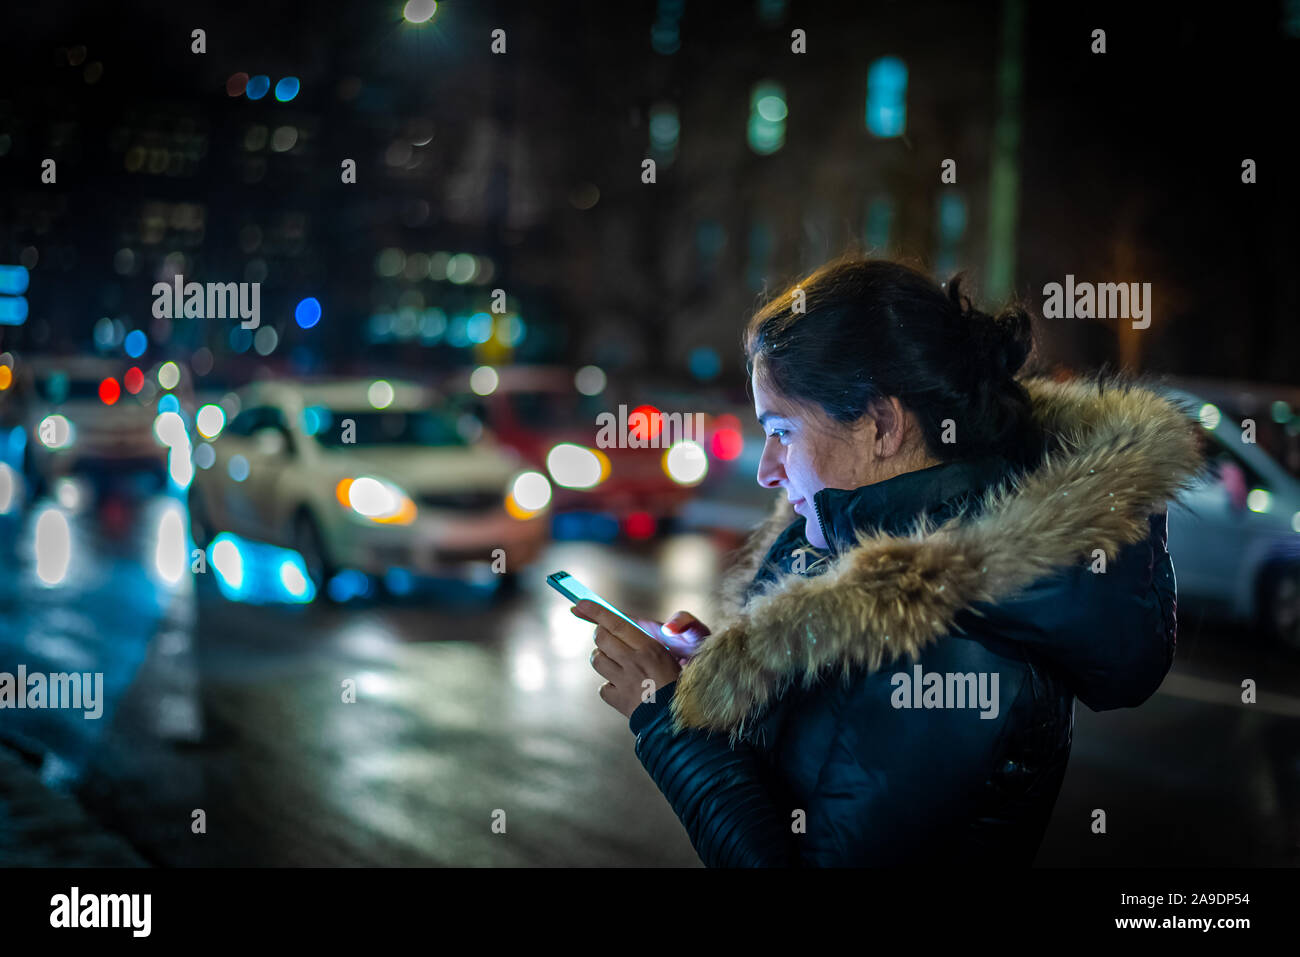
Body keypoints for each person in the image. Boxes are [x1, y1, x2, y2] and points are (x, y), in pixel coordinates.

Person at [572, 255, 1204, 866]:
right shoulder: (880, 578)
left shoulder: (953, 643)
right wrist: (738, 672)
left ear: (881, 423)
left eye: (782, 431)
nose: (767, 471)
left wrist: (664, 720)